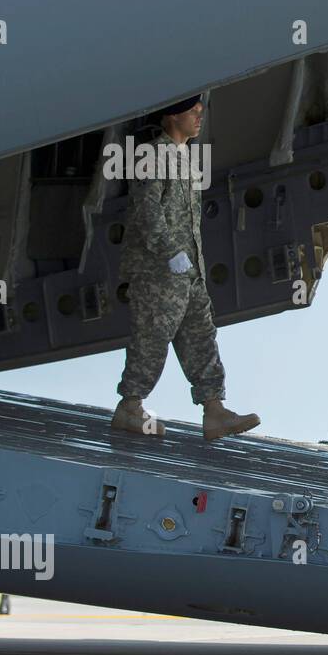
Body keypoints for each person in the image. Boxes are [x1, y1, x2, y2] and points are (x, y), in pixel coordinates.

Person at [112, 95, 260, 440]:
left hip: (187, 270)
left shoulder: (186, 159)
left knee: (201, 335)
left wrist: (188, 262)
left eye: (200, 110)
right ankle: (130, 406)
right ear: (172, 115)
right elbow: (147, 212)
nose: (199, 116)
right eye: (192, 111)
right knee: (152, 336)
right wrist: (168, 253)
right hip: (157, 271)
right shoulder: (152, 156)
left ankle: (214, 410)